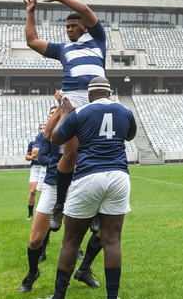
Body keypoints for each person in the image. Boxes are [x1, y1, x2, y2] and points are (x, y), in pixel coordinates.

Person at [44, 75, 136, 299]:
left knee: (71, 241)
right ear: (110, 93)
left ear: (90, 94)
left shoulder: (81, 112)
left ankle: (58, 297)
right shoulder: (125, 111)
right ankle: (113, 297)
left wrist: (65, 113)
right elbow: (130, 135)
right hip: (118, 176)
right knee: (112, 241)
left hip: (88, 176)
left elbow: (55, 139)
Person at [24, 0, 107, 232]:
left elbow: (84, 9)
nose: (69, 29)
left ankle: (93, 210)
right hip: (72, 104)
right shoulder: (62, 49)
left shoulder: (98, 40)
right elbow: (31, 41)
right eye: (67, 27)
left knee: (94, 157)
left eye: (73, 26)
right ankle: (60, 204)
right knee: (69, 156)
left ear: (85, 27)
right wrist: (31, 13)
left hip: (96, 102)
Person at [20, 99, 102, 294]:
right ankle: (33, 272)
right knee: (35, 240)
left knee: (100, 232)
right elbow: (42, 151)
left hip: (81, 183)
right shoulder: (50, 129)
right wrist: (59, 107)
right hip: (53, 184)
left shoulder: (82, 120)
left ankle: (83, 269)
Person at [26, 124, 47, 220]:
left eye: (44, 128)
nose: (42, 130)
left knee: (45, 191)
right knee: (33, 190)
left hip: (46, 166)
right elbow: (28, 156)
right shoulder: (33, 143)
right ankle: (30, 214)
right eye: (41, 128)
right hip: (35, 167)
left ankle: (45, 213)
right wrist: (29, 157)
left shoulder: (49, 140)